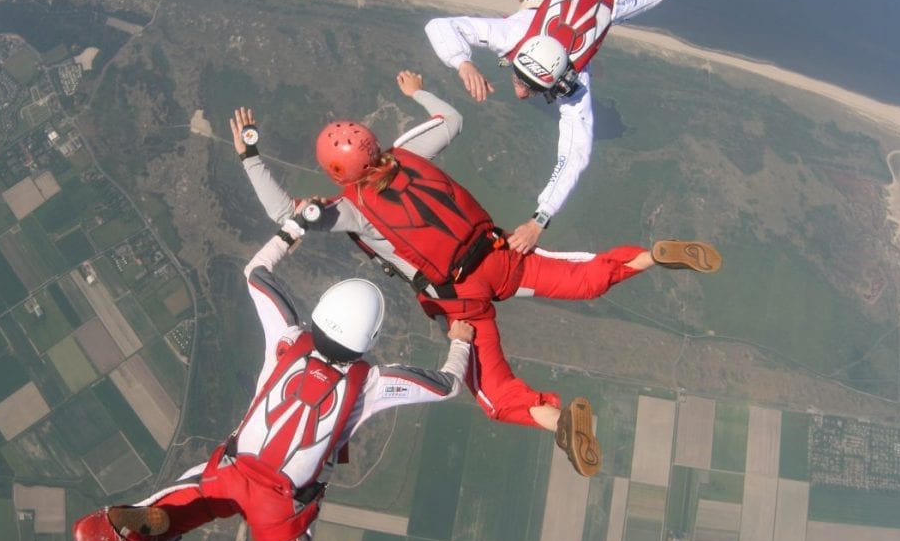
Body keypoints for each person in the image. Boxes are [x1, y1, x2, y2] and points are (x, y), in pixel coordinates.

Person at [233, 71, 721, 478]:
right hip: (499, 256)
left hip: (461, 299)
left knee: (494, 393)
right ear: (372, 143)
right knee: (583, 275)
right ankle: (649, 258)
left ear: (338, 171)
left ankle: (558, 423)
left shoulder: (350, 209)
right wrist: (416, 92)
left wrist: (250, 156)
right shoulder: (407, 153)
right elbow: (453, 119)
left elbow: (285, 215)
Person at [73, 214, 473, 541]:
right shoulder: (371, 383)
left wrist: (293, 228)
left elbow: (256, 275)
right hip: (280, 508)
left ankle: (140, 525)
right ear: (369, 338)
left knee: (187, 503)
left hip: (230, 473)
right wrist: (462, 340)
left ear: (320, 313)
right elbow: (445, 385)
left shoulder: (287, 339)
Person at [424, 0, 739, 253]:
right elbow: (573, 153)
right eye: (523, 79)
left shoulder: (568, 79)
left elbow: (575, 154)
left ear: (558, 81)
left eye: (529, 86)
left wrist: (541, 219)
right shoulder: (518, 36)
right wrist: (461, 61)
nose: (520, 91)